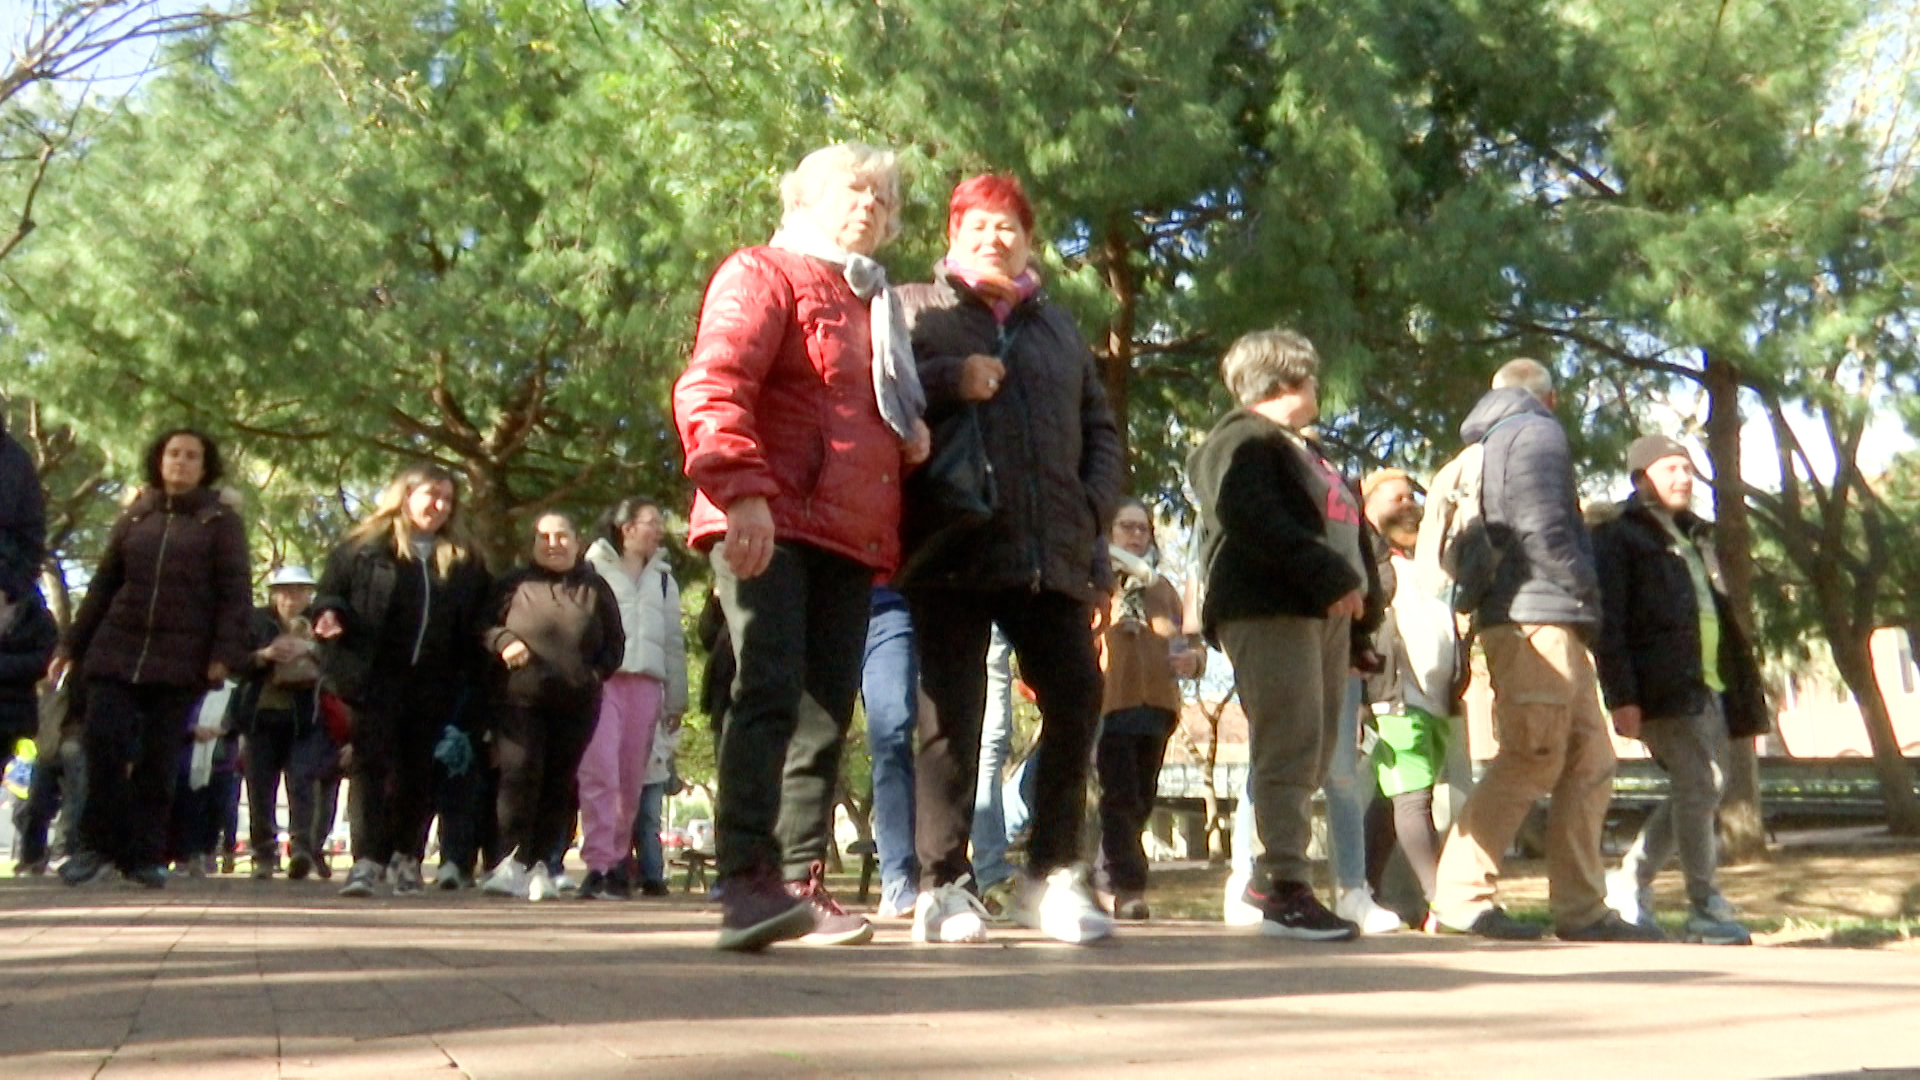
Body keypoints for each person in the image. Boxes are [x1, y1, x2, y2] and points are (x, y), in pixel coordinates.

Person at [673, 142, 928, 952]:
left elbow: (858, 410)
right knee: (767, 689)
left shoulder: (876, 305)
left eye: (884, 200)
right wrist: (741, 490)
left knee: (825, 715)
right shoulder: (763, 272)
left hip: (850, 536)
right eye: (855, 191)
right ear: (805, 197)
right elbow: (714, 384)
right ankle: (746, 881)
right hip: (767, 518)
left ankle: (799, 883)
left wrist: (906, 436)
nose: (871, 207)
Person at [897, 172, 1126, 946]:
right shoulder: (909, 308)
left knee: (1076, 701)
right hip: (950, 543)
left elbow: (1101, 429)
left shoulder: (1059, 328)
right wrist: (948, 381)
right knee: (948, 721)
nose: (996, 237)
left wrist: (1092, 505)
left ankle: (1052, 875)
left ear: (1029, 242)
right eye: (980, 225)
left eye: (1011, 228)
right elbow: (878, 400)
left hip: (1050, 549)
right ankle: (943, 883)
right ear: (952, 236)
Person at [1428, 359, 1661, 942]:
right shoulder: (1534, 432)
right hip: (1537, 611)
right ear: (1551, 399)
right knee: (1532, 754)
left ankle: (1582, 910)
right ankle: (1459, 899)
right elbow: (1542, 525)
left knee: (1589, 758)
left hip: (1536, 611)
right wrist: (1582, 586)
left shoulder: (1488, 443)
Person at [1187, 330, 1381, 941]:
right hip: (1269, 610)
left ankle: (1278, 881)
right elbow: (1251, 515)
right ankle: (1281, 888)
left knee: (1317, 751)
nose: (1319, 389)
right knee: (1290, 745)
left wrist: (1356, 630)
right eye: (1311, 379)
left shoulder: (1305, 453)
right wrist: (1326, 575)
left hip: (1320, 616)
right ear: (1281, 384)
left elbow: (1342, 537)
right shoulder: (1241, 440)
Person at [51, 428, 251, 888]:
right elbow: (102, 584)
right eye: (173, 454)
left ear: (205, 467)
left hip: (180, 657)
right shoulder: (135, 516)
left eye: (191, 456)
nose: (180, 462)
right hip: (115, 649)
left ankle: (143, 855)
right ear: (158, 461)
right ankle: (95, 848)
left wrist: (225, 653)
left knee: (159, 759)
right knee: (102, 747)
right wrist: (70, 646)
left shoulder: (219, 522)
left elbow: (235, 593)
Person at [1593, 435, 1768, 946]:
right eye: (1670, 468)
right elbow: (1612, 624)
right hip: (1661, 686)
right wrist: (1621, 695)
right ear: (1641, 476)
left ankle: (1628, 882)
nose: (1683, 478)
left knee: (1702, 787)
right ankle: (1705, 905)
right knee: (1700, 783)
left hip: (1709, 682)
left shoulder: (1694, 535)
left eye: (1688, 469)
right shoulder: (1621, 537)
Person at [312, 464, 492, 899]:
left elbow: (478, 620)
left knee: (418, 773)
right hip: (373, 678)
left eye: (447, 499)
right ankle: (366, 862)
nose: (438, 505)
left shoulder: (464, 560)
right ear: (405, 496)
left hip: (434, 683)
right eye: (431, 494)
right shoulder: (362, 550)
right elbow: (329, 595)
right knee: (370, 768)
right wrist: (329, 617)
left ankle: (406, 857)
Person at [479, 512, 624, 902]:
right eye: (543, 536)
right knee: (519, 775)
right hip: (519, 700)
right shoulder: (512, 583)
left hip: (576, 704)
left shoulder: (596, 587)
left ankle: (543, 863)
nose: (553, 543)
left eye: (562, 536)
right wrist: (504, 640)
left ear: (577, 542)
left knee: (559, 784)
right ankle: (509, 861)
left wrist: (593, 676)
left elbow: (615, 642)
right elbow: (483, 626)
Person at [1358, 468, 1458, 925]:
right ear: (1367, 508)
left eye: (1411, 497)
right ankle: (1442, 903)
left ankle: (1361, 891)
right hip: (1394, 695)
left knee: (1391, 797)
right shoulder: (1366, 562)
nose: (1407, 505)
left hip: (1435, 697)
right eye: (1394, 498)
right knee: (1413, 797)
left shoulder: (1424, 562)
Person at [1093, 499, 1199, 921]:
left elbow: (1187, 639)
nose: (1136, 536)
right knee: (1119, 797)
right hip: (1109, 703)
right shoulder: (1096, 581)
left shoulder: (1163, 588)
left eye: (1143, 529)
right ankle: (1128, 887)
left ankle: (1104, 880)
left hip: (1157, 707)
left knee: (1141, 800)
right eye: (1127, 528)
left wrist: (1193, 660)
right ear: (1110, 533)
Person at [578, 497, 688, 900]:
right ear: (626, 529)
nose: (659, 530)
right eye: (652, 522)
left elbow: (674, 642)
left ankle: (617, 865)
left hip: (647, 686)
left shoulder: (663, 578)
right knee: (599, 772)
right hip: (604, 681)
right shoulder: (592, 569)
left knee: (630, 782)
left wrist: (677, 697)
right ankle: (598, 864)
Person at [229, 566, 335, 880]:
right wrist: (266, 654)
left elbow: (340, 659)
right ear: (274, 593)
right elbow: (235, 661)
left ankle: (302, 849)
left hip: (305, 718)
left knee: (302, 783)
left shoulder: (323, 622)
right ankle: (264, 853)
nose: (293, 597)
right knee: (260, 788)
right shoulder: (256, 621)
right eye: (286, 590)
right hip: (260, 718)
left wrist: (311, 648)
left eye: (300, 590)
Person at [861, 585, 921, 919]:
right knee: (810, 740)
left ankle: (898, 879)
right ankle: (796, 877)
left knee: (893, 737)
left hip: (890, 605)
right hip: (820, 599)